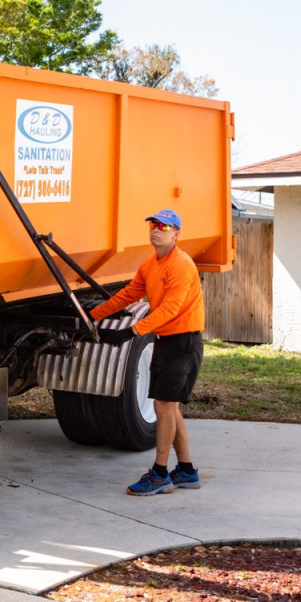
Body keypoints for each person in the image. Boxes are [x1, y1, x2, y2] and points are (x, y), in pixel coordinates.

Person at [87, 208, 205, 496]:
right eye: (153, 225)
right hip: (169, 341)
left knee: (163, 407)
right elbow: (129, 293)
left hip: (183, 343)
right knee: (170, 407)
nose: (156, 230)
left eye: (164, 227)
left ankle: (161, 474)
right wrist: (93, 315)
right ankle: (186, 471)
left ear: (176, 234)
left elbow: (169, 309)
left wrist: (131, 331)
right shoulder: (150, 263)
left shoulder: (181, 265)